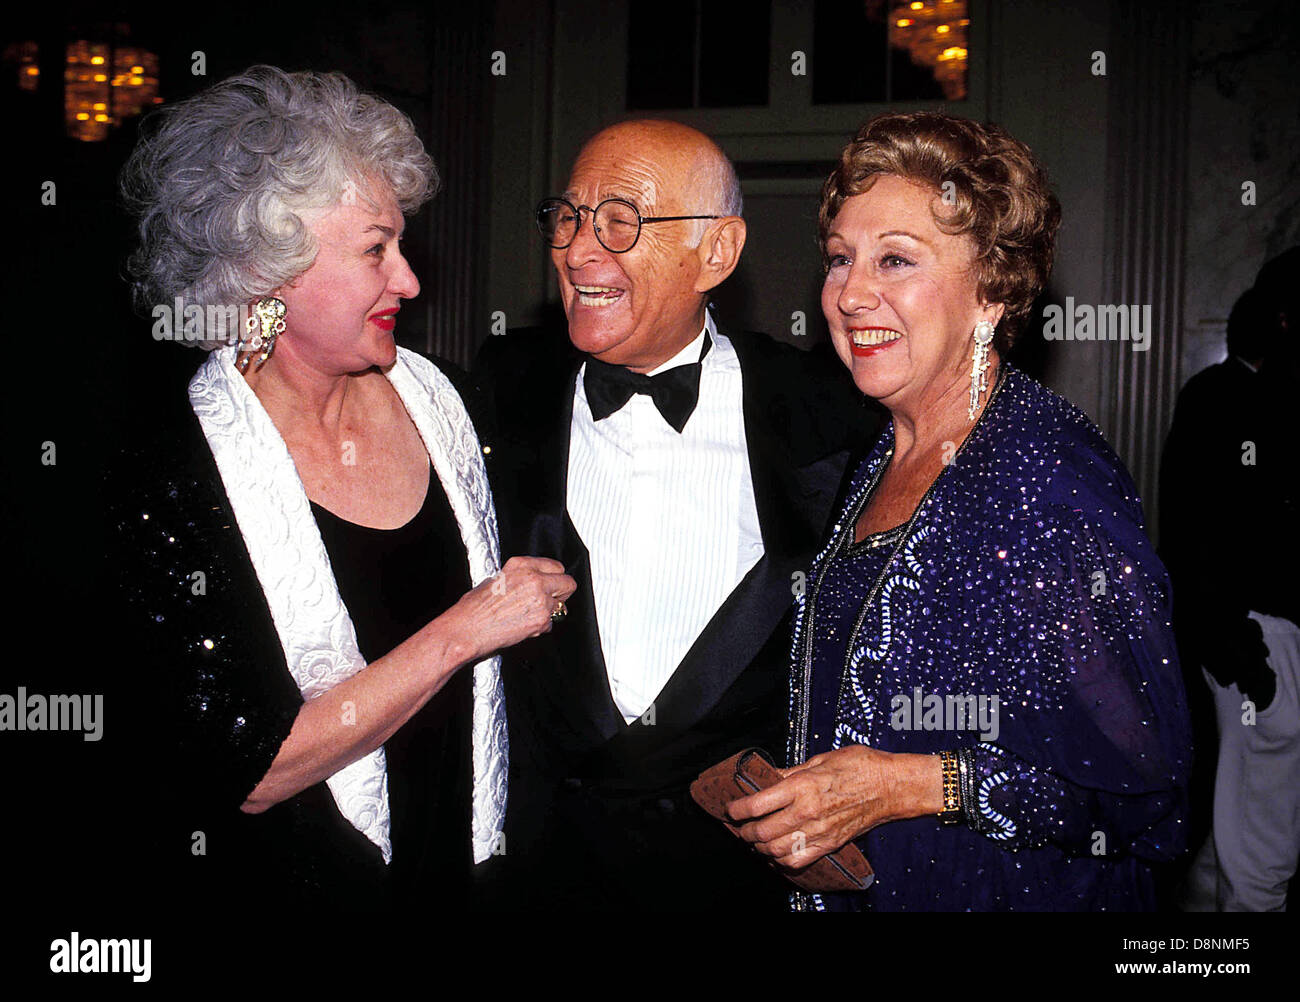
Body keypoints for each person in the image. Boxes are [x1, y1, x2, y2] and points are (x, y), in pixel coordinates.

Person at [109, 65, 575, 914]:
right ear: (268, 270)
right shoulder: (177, 471)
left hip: (469, 881)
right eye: (375, 249)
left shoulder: (450, 406)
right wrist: (466, 629)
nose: (409, 280)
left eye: (401, 244)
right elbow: (251, 770)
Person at [727, 111, 1191, 911]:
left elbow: (1145, 796)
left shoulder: (1048, 483)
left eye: (895, 259)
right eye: (840, 259)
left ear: (991, 290)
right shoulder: (884, 451)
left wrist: (910, 785)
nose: (850, 292)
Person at [474, 119, 879, 910]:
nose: (579, 251)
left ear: (717, 254)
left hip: (739, 887)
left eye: (619, 221)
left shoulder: (834, 418)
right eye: (568, 217)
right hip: (537, 881)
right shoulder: (495, 394)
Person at [1165, 249, 1300, 911]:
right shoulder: (1229, 399)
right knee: (1262, 848)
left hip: (1251, 636)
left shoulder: (1245, 396)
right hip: (1254, 637)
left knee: (1239, 841)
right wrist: (1233, 640)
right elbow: (1198, 530)